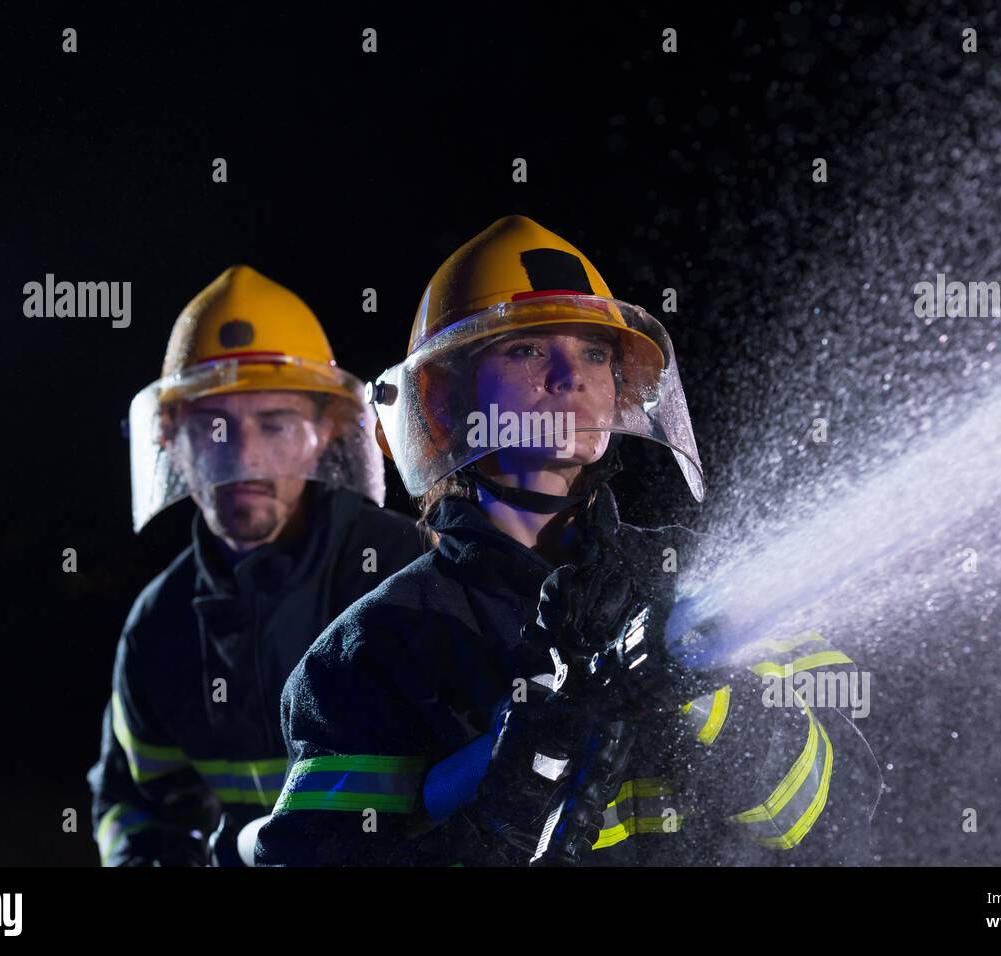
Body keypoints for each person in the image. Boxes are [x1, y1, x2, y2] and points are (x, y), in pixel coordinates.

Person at [255, 217, 882, 866]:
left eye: (594, 352)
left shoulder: (702, 576)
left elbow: (850, 815)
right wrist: (495, 821)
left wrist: (702, 683)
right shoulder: (369, 656)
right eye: (526, 350)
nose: (570, 376)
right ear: (444, 399)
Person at [87, 265, 425, 866]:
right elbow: (132, 809)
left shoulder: (413, 576)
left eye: (275, 425)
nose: (242, 457)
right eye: (213, 428)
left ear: (324, 433)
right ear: (170, 438)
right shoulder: (158, 626)